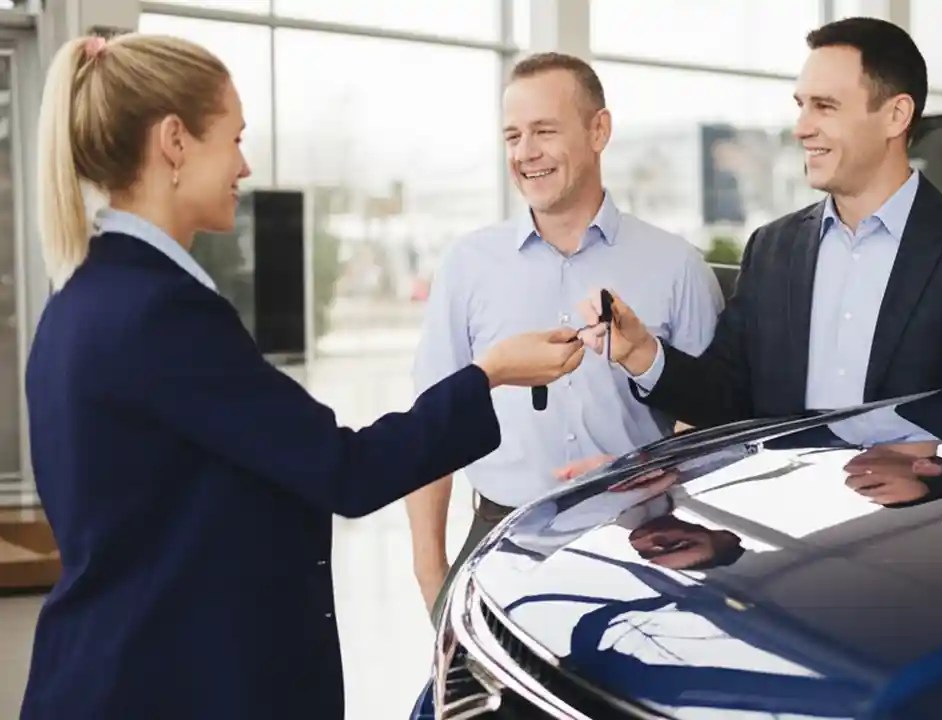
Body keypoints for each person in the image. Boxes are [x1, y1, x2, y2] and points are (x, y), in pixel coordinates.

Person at [20, 34, 584, 720]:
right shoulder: (159, 313)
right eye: (233, 138)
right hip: (166, 686)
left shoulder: (84, 298)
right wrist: (490, 372)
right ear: (174, 142)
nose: (245, 164)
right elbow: (342, 469)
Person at [578, 17, 942, 428]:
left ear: (895, 115)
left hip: (920, 526)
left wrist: (931, 464)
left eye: (824, 106)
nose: (801, 126)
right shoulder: (773, 249)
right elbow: (727, 399)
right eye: (801, 104)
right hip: (790, 522)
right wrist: (641, 353)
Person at [407, 52, 722, 621]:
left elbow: (715, 422)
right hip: (495, 539)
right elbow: (433, 423)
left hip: (640, 542)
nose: (525, 153)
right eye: (513, 135)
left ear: (599, 130)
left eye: (544, 131)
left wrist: (661, 472)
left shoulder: (677, 266)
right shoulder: (467, 265)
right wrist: (432, 574)